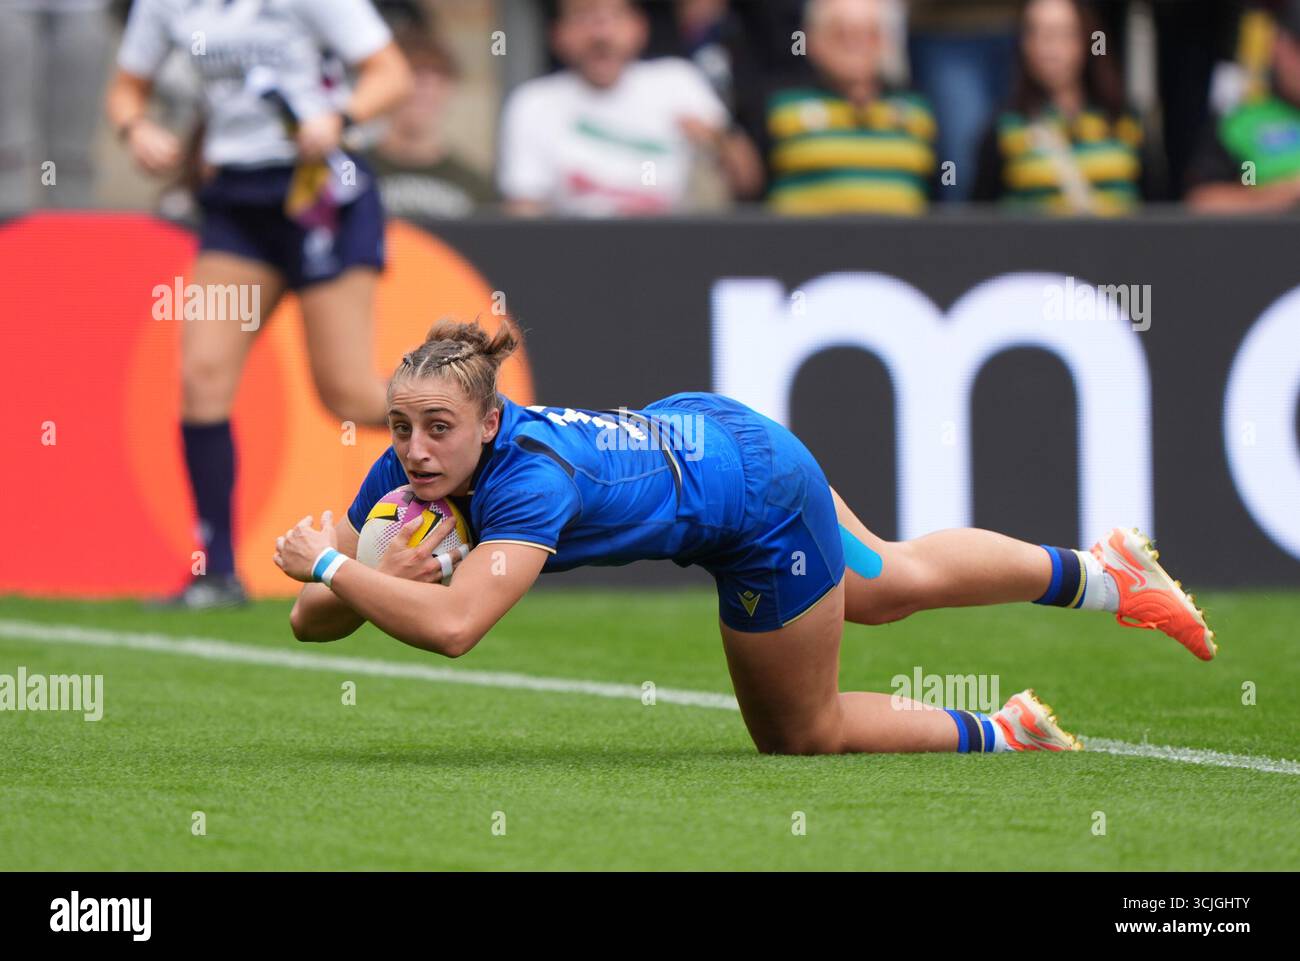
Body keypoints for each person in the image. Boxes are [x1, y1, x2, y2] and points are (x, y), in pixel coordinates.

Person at [275, 319, 1218, 757]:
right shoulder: (408, 476)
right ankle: (1105, 575)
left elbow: (454, 627)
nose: (415, 448)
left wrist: (335, 565)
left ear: (490, 422)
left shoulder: (531, 480)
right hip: (717, 433)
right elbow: (311, 624)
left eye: (439, 426)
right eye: (401, 425)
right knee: (891, 579)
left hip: (758, 501)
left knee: (800, 736)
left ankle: (1002, 731)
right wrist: (361, 571)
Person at [105, 0, 412, 608]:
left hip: (319, 191)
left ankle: (492, 426)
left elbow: (390, 72)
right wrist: (136, 128)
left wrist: (341, 115)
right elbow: (126, 87)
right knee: (202, 378)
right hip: (236, 202)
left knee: (347, 394)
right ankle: (216, 571)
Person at [497, 0, 762, 216]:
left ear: (639, 28)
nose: (601, 34)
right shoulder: (533, 103)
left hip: (669, 250)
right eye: (584, 17)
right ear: (558, 35)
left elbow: (747, 181)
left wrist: (717, 139)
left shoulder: (677, 81)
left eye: (614, 16)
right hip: (571, 256)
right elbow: (524, 210)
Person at [759, 0, 938, 215]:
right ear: (813, 39)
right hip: (799, 245)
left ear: (887, 42)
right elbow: (749, 189)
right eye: (841, 33)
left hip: (907, 245)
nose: (855, 44)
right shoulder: (778, 108)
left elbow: (943, 192)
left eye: (869, 33)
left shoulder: (918, 111)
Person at [971, 0, 1150, 214]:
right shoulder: (1003, 128)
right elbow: (980, 219)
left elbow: (1156, 207)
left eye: (1062, 34)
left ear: (1086, 40)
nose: (1049, 49)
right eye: (1037, 34)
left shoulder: (1125, 123)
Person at [368, 21, 497, 220]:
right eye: (414, 79)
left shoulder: (477, 186)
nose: (424, 91)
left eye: (435, 82)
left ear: (449, 89)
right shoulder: (352, 174)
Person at [1186, 0, 1300, 212]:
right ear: (1278, 46)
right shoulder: (1243, 121)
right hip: (1267, 239)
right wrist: (1287, 193)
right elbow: (1202, 202)